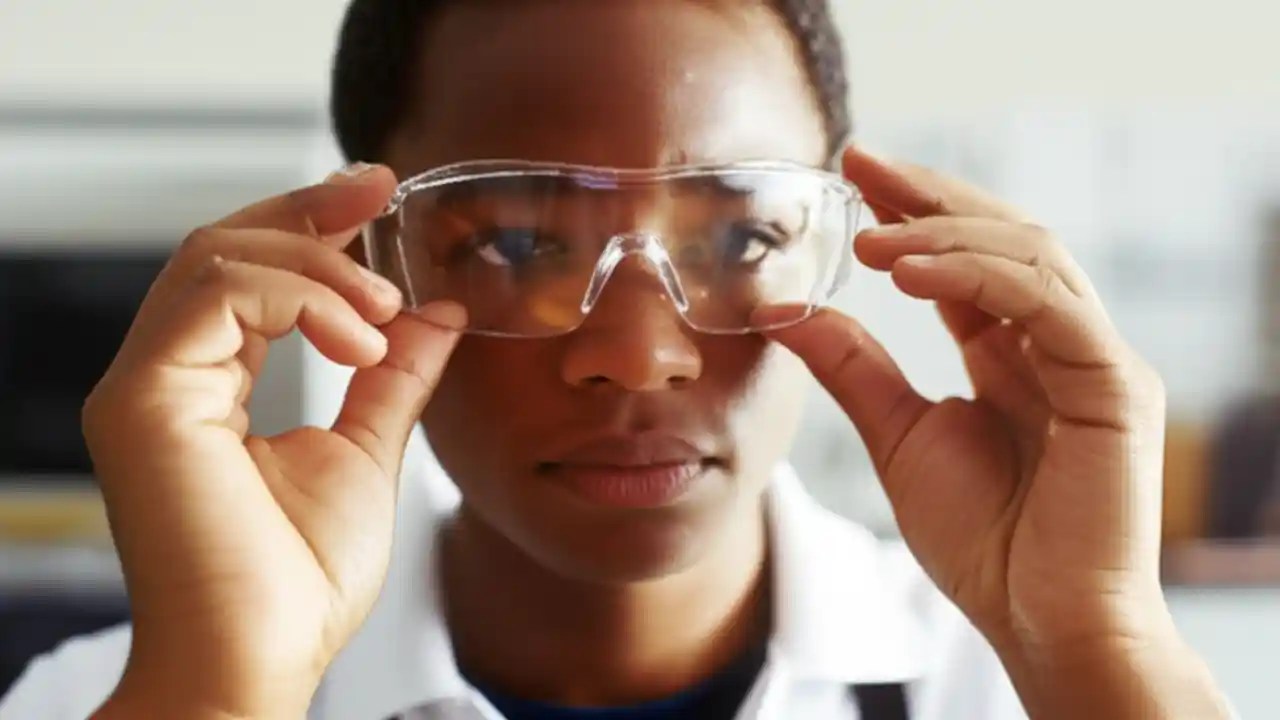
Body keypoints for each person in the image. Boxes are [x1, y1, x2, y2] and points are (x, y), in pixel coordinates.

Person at [0, 0, 1235, 718]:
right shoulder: (119, 696)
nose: (640, 357)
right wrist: (220, 681)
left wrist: (1098, 645)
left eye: (742, 233)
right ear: (366, 250)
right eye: (520, 240)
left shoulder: (1029, 689)